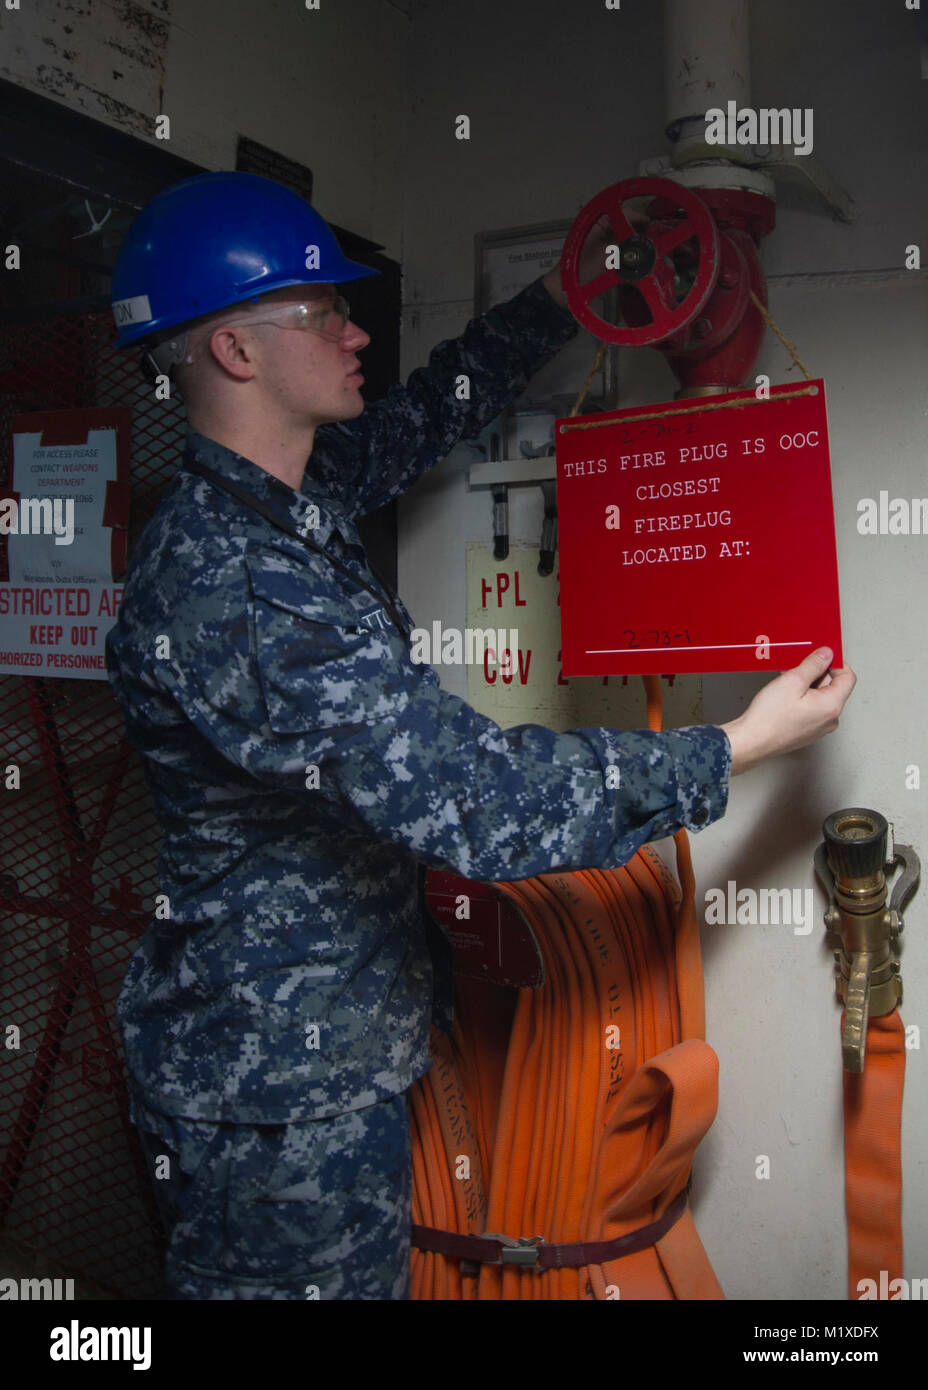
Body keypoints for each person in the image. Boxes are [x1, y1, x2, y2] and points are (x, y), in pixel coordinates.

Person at [105, 170, 856, 1301]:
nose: (357, 330)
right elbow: (475, 796)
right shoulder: (235, 582)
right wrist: (737, 746)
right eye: (323, 313)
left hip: (314, 1060)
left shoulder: (285, 503)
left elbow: (419, 419)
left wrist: (566, 298)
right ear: (237, 355)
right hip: (269, 1098)